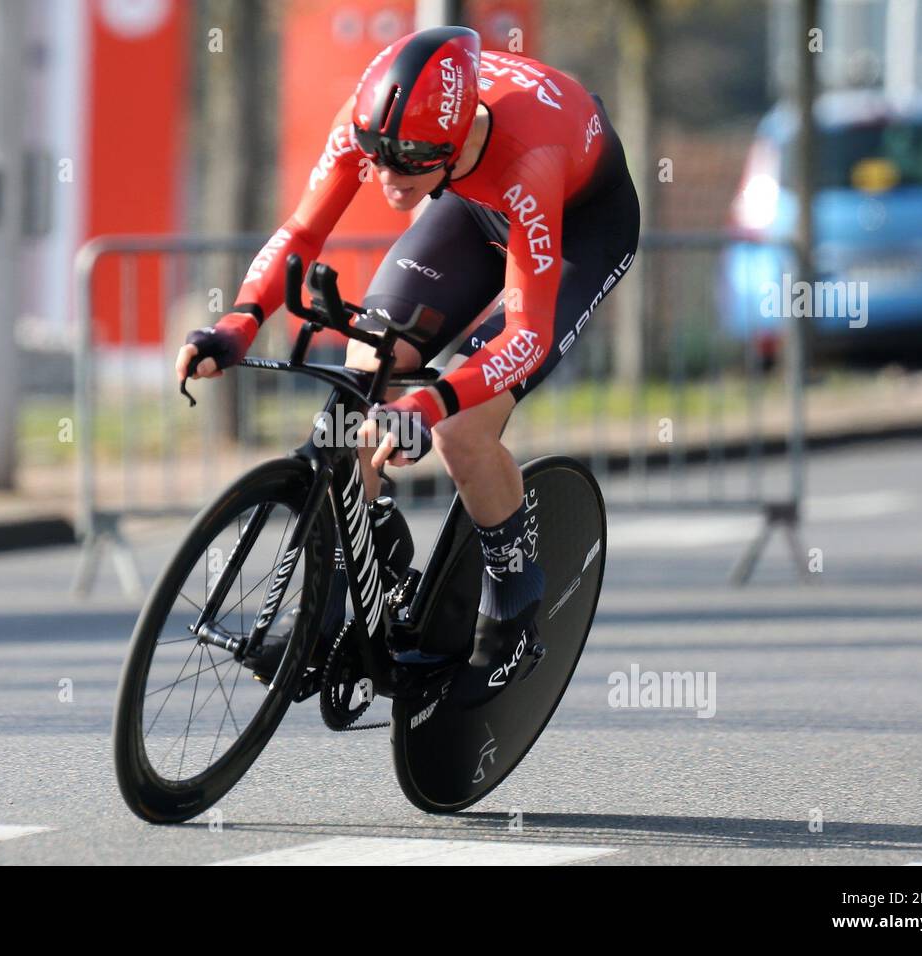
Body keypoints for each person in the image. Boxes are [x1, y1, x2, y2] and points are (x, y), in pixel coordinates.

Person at [176, 25, 640, 707]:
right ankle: (342, 586)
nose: (387, 181)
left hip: (571, 229)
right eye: (375, 158)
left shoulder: (528, 154)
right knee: (361, 375)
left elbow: (526, 336)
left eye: (408, 163)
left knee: (463, 428)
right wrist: (238, 321)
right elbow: (302, 230)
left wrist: (428, 405)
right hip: (469, 203)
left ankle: (514, 601)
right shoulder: (380, 111)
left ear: (450, 146)